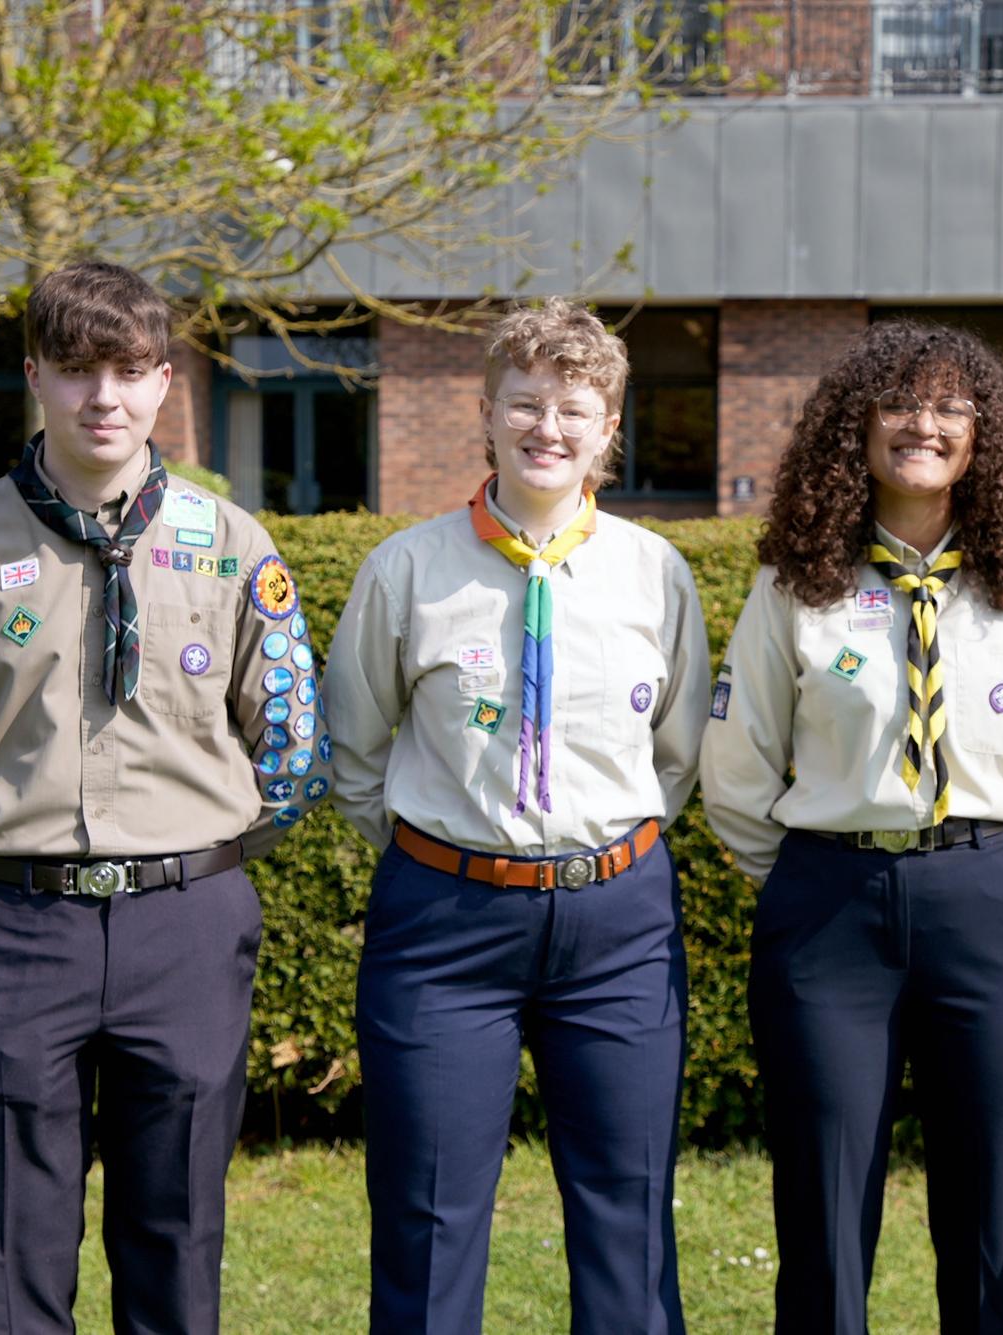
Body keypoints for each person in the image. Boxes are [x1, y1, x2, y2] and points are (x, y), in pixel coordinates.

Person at [0, 262, 330, 1332]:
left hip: (187, 925)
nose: (104, 396)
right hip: (15, 927)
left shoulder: (232, 546)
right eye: (75, 370)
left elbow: (293, 754)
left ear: (164, 382)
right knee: (12, 1247)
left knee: (177, 1237)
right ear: (33, 377)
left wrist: (200, 851)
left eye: (129, 370)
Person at [699, 319, 1003, 1333]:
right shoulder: (797, 581)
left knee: (991, 1218)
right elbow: (735, 768)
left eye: (949, 407)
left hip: (990, 902)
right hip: (830, 910)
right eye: (897, 403)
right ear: (855, 427)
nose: (921, 425)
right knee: (821, 1208)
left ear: (985, 434)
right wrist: (810, 876)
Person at [319, 298, 709, 1334]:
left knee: (628, 1216)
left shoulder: (654, 572)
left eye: (575, 410)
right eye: (526, 403)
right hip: (445, 923)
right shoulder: (407, 568)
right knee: (428, 1218)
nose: (549, 428)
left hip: (618, 925)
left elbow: (674, 754)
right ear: (485, 414)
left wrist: (599, 849)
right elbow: (353, 750)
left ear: (608, 428)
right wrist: (447, 851)